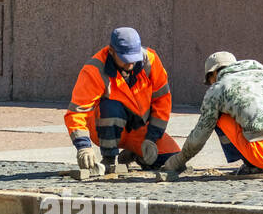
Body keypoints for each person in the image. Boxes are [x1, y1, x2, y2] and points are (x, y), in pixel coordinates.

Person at [163, 52, 263, 178]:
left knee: (219, 117)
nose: (210, 84)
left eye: (209, 80)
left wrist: (177, 161)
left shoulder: (217, 89)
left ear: (214, 73)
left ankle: (253, 167)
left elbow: (201, 133)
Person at [65, 27, 180, 178]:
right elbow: (77, 112)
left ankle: (135, 154)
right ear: (111, 52)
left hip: (138, 129)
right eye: (125, 58)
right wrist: (83, 146)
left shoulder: (150, 60)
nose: (131, 64)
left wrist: (152, 138)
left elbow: (162, 100)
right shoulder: (94, 70)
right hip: (105, 129)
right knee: (111, 107)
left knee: (174, 159)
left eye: (134, 57)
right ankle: (109, 160)